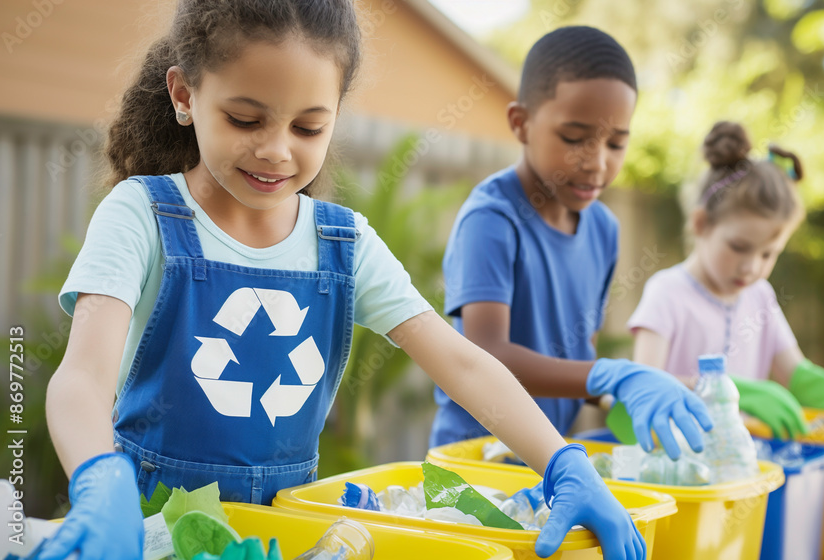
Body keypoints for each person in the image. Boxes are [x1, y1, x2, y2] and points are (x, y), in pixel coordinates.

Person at [38, 3, 647, 559]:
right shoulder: (140, 214)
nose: (277, 150)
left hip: (287, 537)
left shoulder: (343, 243)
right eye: (246, 118)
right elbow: (83, 378)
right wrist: (101, 481)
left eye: (308, 128)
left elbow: (463, 365)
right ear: (185, 94)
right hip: (143, 531)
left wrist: (564, 464)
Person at [430, 26, 713, 459]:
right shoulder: (492, 220)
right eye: (574, 138)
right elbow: (486, 354)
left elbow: (578, 355)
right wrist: (611, 375)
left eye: (617, 143)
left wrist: (632, 392)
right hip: (476, 460)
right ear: (521, 124)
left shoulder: (604, 229)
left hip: (550, 458)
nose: (597, 162)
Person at [627, 121, 824, 444]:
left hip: (737, 467)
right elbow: (642, 384)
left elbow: (797, 377)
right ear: (701, 223)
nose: (751, 267)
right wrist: (727, 390)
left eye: (768, 254)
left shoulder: (759, 296)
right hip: (672, 466)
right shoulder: (668, 293)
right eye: (739, 247)